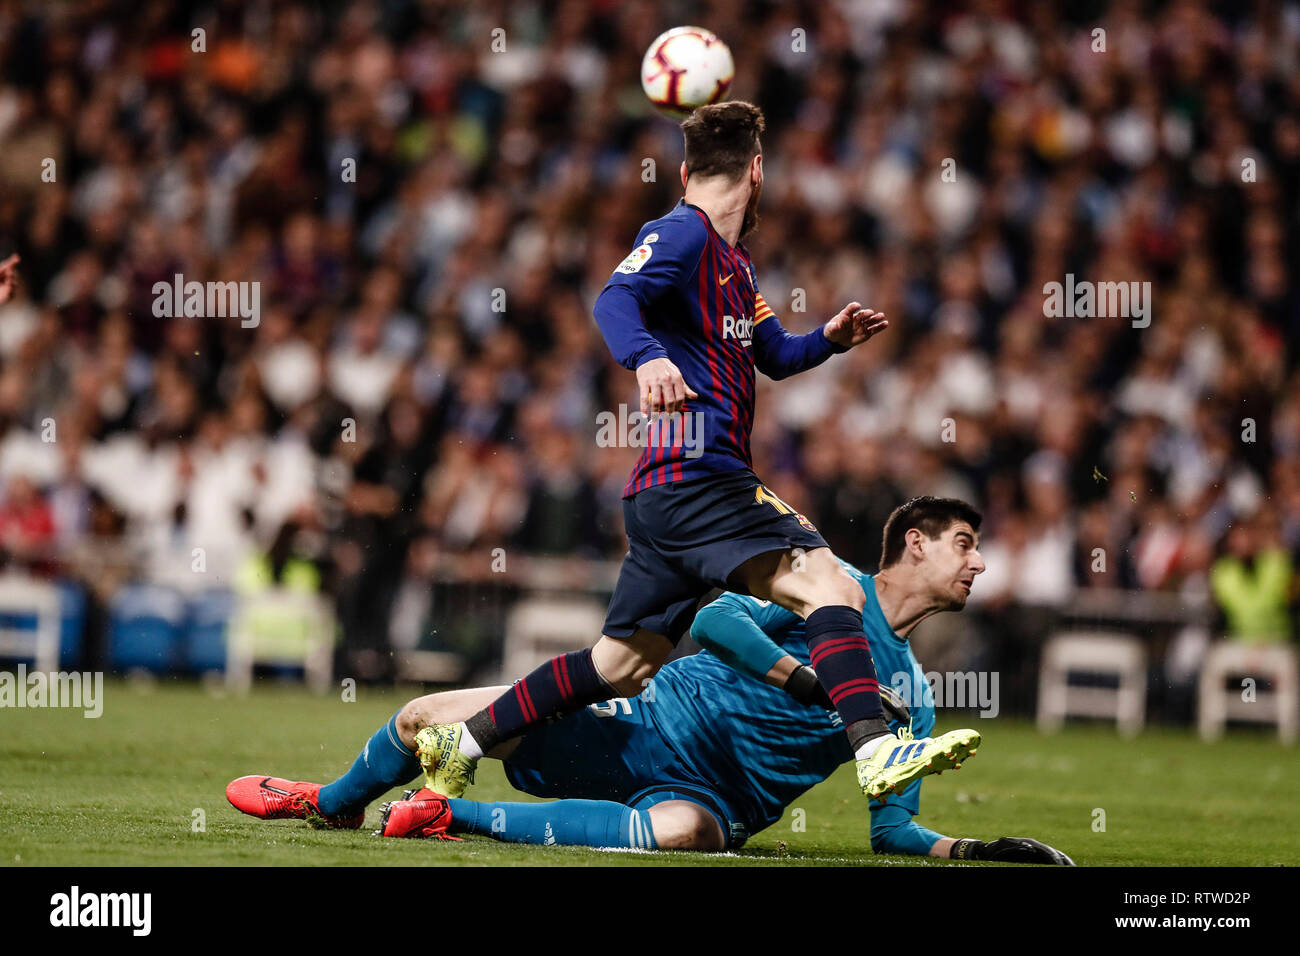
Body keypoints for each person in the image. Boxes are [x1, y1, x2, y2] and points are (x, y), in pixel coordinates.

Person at [411, 101, 977, 808]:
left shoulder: (737, 267)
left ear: (685, 170)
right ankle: (875, 751)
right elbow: (614, 299)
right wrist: (647, 357)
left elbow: (774, 354)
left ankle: (461, 744)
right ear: (758, 170)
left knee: (619, 666)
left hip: (670, 494)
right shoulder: (681, 232)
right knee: (830, 584)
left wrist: (829, 340)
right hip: (701, 475)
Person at [227, 499, 1072, 864]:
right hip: (641, 721)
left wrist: (974, 851)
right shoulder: (828, 586)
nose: (979, 563)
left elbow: (892, 831)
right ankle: (332, 801)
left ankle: (449, 816)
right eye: (965, 543)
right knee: (421, 719)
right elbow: (714, 621)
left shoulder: (915, 694)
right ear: (915, 543)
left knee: (681, 834)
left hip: (714, 799)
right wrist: (806, 682)